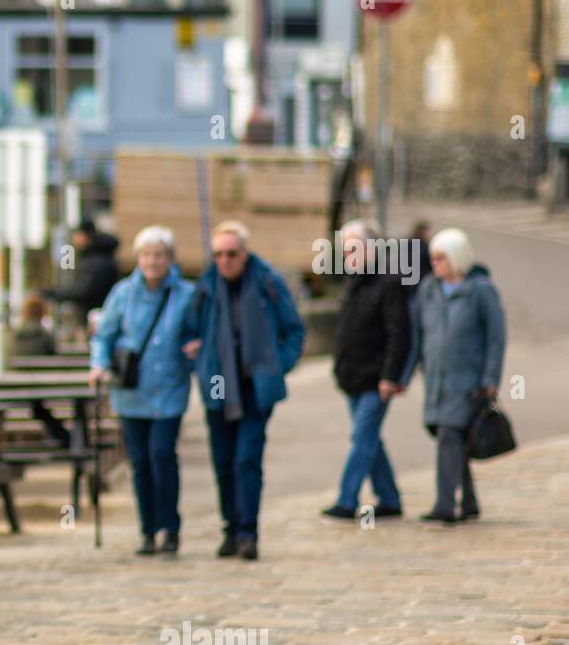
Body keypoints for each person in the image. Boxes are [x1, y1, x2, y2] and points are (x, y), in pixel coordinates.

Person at [181, 221, 306, 561]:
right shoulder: (206, 286)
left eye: (231, 254)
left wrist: (277, 364)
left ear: (245, 253)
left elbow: (294, 331)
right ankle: (230, 528)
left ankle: (248, 532)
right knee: (223, 461)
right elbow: (188, 332)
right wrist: (200, 362)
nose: (225, 261)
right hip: (219, 383)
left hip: (254, 384)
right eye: (218, 254)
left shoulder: (267, 281)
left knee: (246, 459)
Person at [90, 226, 195, 556]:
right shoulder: (122, 293)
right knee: (140, 462)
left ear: (170, 259)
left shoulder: (186, 294)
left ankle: (171, 528)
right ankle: (148, 530)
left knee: (162, 455)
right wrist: (98, 365)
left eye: (159, 255)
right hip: (131, 392)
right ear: (138, 259)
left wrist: (196, 348)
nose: (152, 261)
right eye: (147, 255)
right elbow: (103, 335)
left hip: (169, 390)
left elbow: (198, 331)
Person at [409, 227, 506, 523]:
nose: (435, 263)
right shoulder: (428, 289)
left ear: (457, 257)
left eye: (441, 258)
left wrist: (491, 379)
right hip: (437, 379)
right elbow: (418, 336)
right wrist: (404, 374)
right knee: (452, 436)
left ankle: (444, 504)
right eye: (433, 258)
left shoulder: (480, 291)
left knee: (450, 435)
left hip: (468, 383)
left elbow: (496, 338)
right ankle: (470, 502)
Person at [321, 220, 411, 520]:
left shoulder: (389, 282)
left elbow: (399, 333)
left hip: (376, 379)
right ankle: (390, 497)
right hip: (352, 376)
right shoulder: (353, 283)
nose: (350, 256)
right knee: (370, 439)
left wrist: (390, 376)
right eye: (346, 251)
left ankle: (347, 499)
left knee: (362, 438)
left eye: (355, 249)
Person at [45, 219, 119, 318]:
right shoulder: (93, 257)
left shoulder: (97, 260)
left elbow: (85, 291)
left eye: (77, 235)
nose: (74, 239)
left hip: (97, 317)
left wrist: (56, 293)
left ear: (85, 235)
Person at [8, 293, 56, 359]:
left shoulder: (13, 335)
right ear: (42, 312)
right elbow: (52, 355)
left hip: (16, 369)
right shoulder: (46, 336)